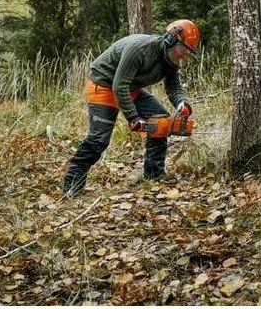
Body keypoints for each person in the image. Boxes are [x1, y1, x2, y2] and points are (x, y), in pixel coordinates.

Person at [62, 19, 200, 197]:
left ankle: (154, 173)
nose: (185, 55)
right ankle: (72, 185)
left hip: (130, 89)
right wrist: (133, 118)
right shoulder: (139, 49)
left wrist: (182, 103)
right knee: (99, 139)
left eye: (188, 52)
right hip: (104, 85)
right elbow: (119, 86)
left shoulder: (170, 59)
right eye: (184, 49)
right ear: (171, 40)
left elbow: (173, 87)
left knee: (161, 120)